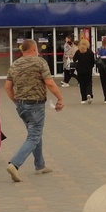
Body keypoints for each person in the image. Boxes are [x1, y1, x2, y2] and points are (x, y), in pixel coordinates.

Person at [4, 39, 65, 182]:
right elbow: (49, 82)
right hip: (35, 105)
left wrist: (16, 101)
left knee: (34, 134)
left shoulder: (15, 64)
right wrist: (60, 98)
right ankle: (14, 164)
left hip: (21, 106)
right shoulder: (40, 62)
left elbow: (7, 87)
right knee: (34, 136)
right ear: (34, 49)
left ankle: (40, 165)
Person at [72, 37, 96, 104]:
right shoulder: (90, 52)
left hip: (80, 70)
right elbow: (93, 61)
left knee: (82, 84)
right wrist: (91, 67)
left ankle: (83, 98)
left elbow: (74, 59)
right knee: (89, 82)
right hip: (88, 70)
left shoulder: (78, 51)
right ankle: (89, 93)